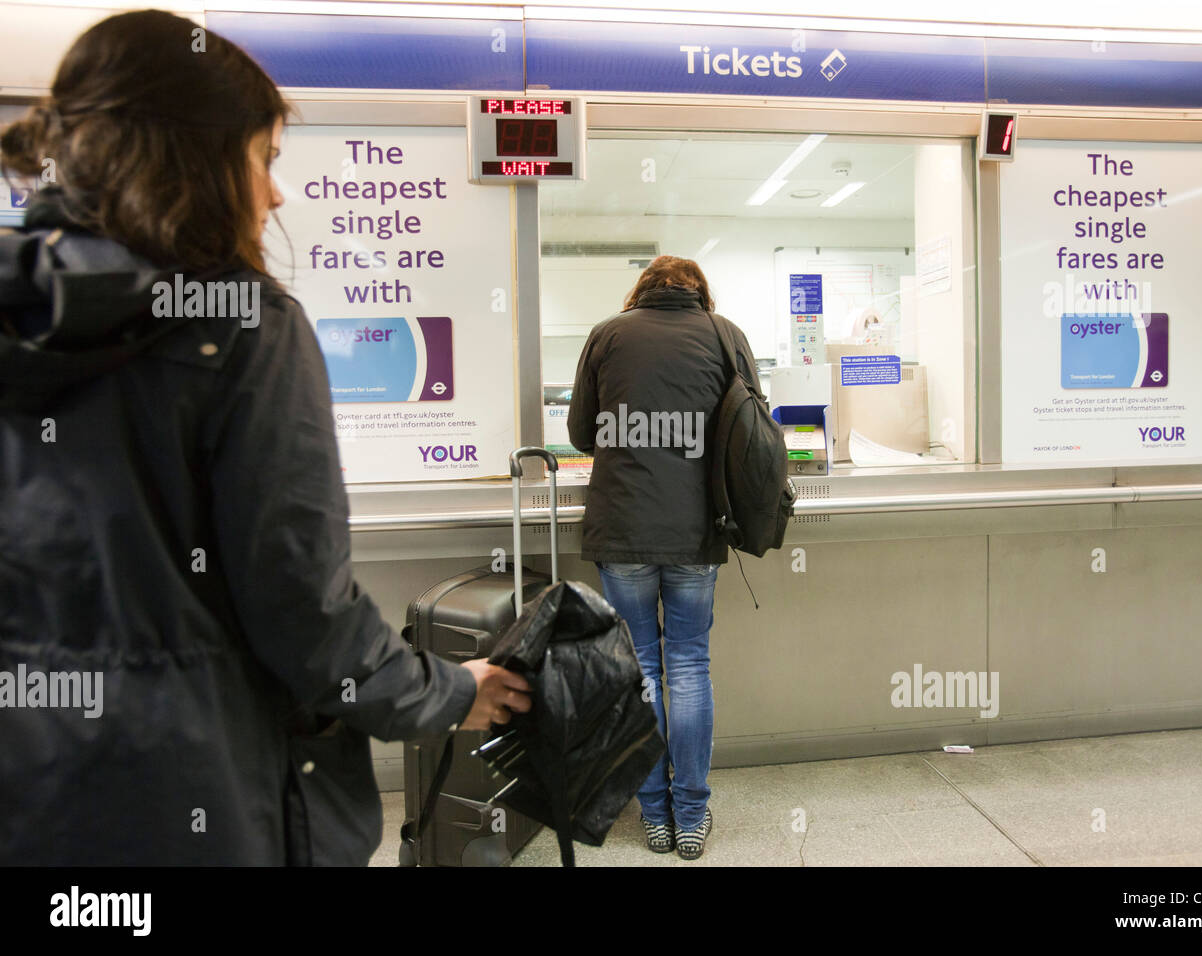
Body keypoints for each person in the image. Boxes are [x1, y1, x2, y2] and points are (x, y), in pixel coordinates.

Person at [0, 10, 530, 866]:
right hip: (199, 793)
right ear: (198, 160)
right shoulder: (242, 324)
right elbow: (303, 614)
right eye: (266, 159)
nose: (275, 194)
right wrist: (442, 693)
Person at [567, 255, 761, 860]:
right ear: (700, 292)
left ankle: (654, 815)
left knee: (641, 671)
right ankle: (692, 814)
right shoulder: (725, 334)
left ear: (641, 290)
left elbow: (579, 433)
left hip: (622, 530)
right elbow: (753, 423)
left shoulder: (607, 334)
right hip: (696, 533)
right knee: (689, 667)